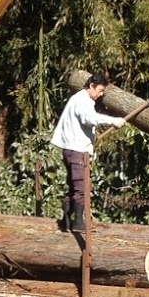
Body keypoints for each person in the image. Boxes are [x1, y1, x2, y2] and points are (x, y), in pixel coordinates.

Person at [49, 73, 127, 232]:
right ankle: (77, 222)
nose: (101, 94)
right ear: (91, 86)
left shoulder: (79, 99)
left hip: (72, 148)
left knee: (73, 186)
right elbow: (88, 118)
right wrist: (113, 120)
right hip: (77, 150)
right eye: (100, 90)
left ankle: (67, 221)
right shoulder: (83, 100)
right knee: (81, 187)